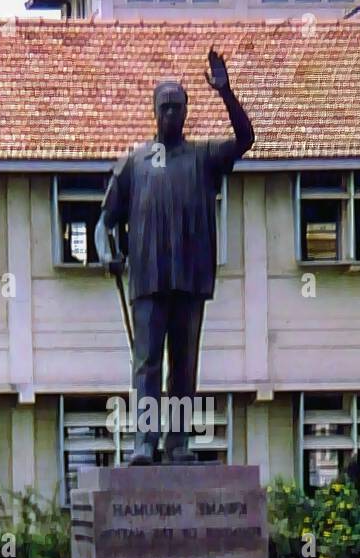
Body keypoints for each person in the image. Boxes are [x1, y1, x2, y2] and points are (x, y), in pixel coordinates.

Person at [94, 47, 255, 464]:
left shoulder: (203, 157)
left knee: (183, 366)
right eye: (164, 106)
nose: (170, 113)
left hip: (190, 277)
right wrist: (107, 253)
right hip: (147, 278)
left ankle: (178, 441)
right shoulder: (134, 161)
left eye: (177, 107)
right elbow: (104, 222)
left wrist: (227, 93)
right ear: (154, 111)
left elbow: (245, 140)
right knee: (147, 364)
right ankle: (145, 442)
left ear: (186, 112)